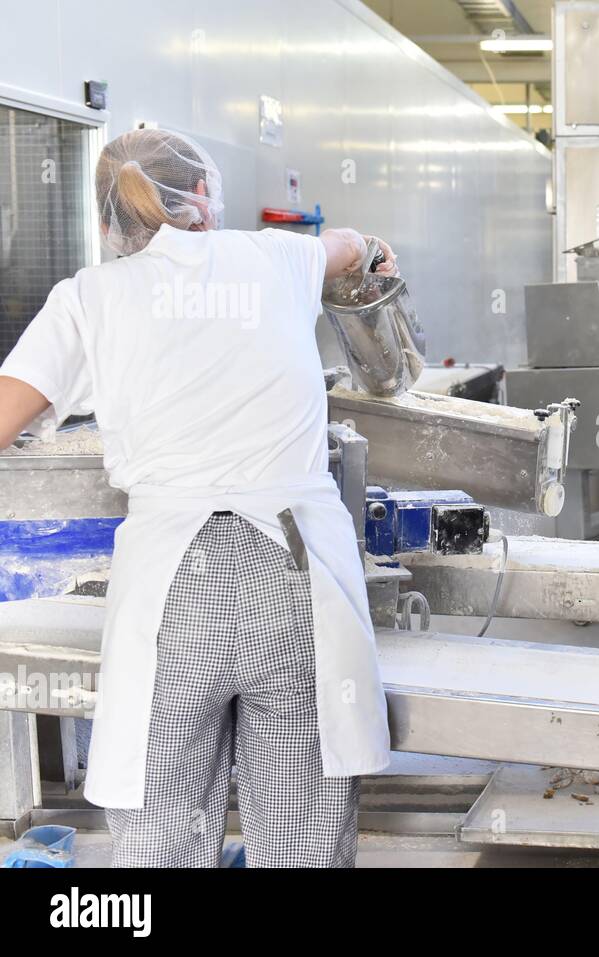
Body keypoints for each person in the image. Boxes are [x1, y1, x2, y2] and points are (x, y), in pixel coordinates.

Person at [0, 128, 399, 866]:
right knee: (302, 831)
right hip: (297, 575)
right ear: (205, 199)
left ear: (109, 220)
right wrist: (370, 245)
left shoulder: (89, 298)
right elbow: (345, 245)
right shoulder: (275, 258)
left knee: (160, 831)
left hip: (175, 591)